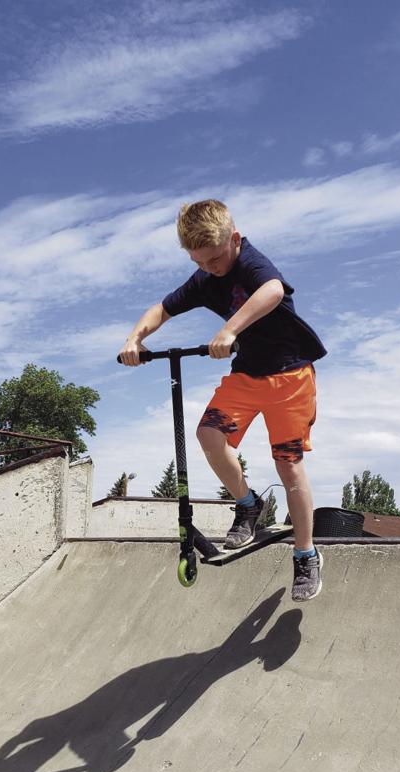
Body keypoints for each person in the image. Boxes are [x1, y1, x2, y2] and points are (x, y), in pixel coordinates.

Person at [118, 200, 327, 601]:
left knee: (289, 467)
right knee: (209, 436)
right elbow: (161, 309)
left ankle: (305, 554)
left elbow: (273, 290)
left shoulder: (250, 262)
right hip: (247, 375)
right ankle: (248, 505)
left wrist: (230, 329)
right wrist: (135, 338)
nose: (211, 268)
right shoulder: (204, 277)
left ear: (234, 238)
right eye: (201, 262)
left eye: (216, 258)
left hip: (291, 377)